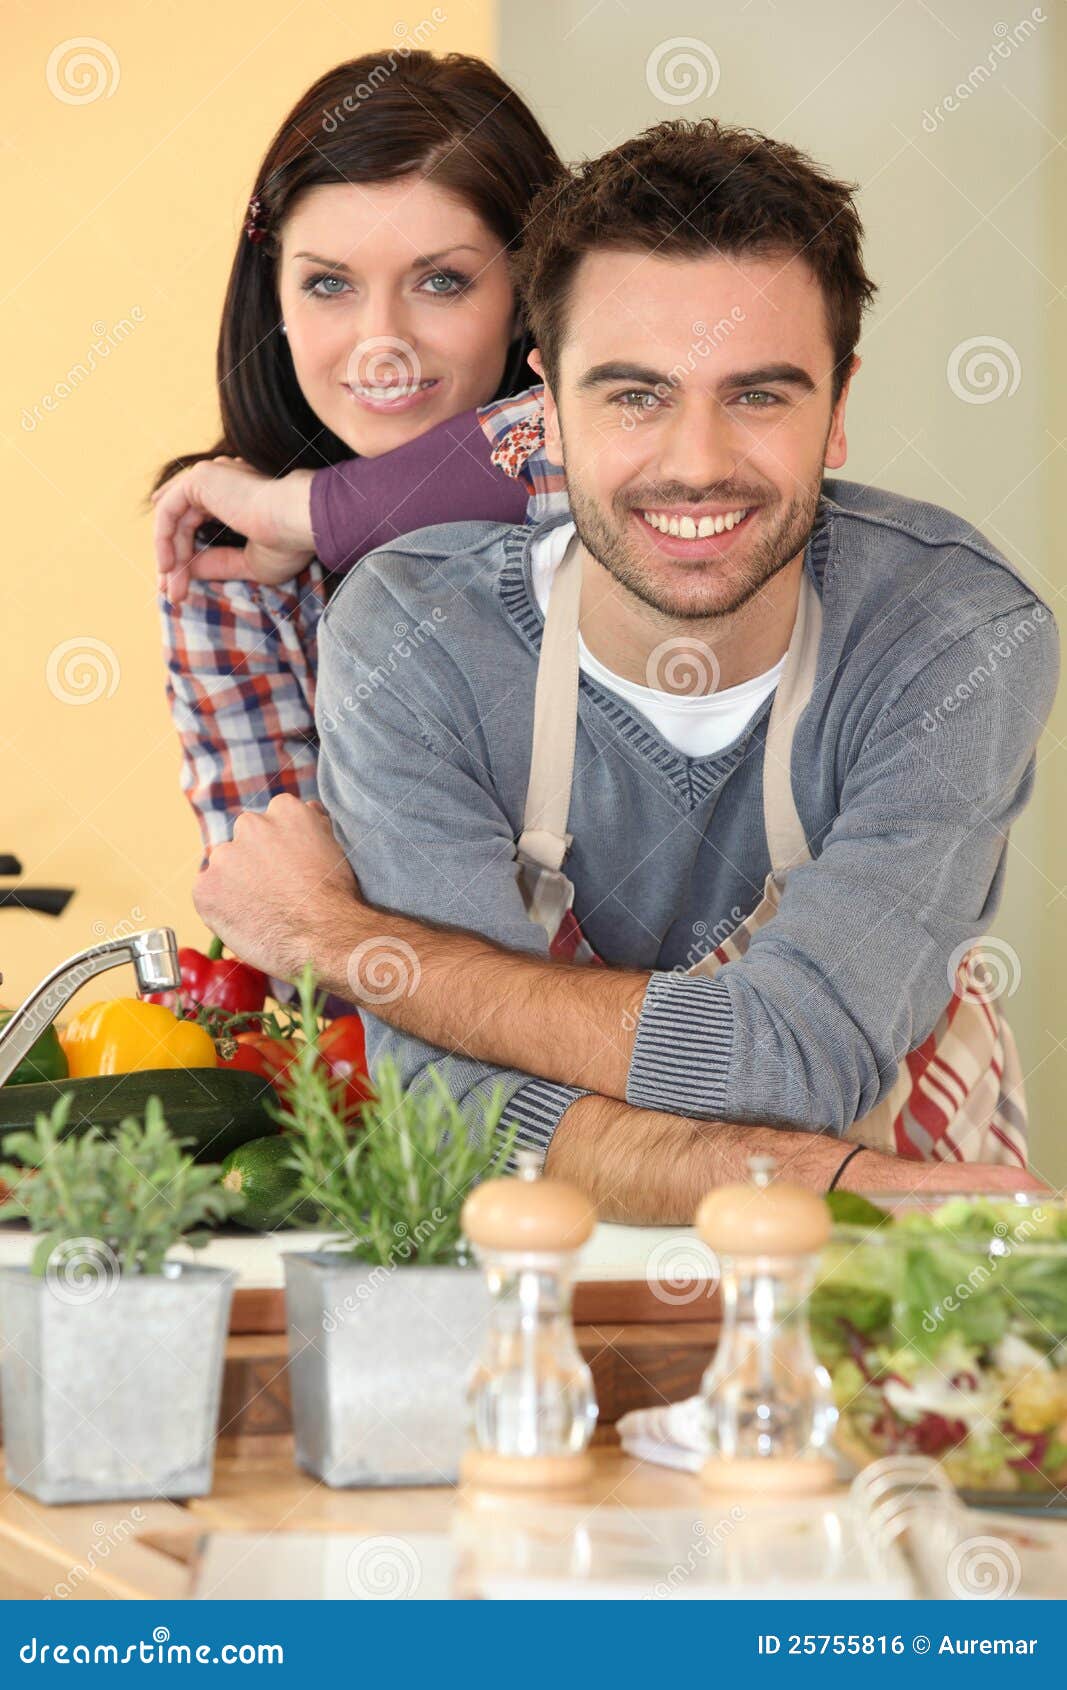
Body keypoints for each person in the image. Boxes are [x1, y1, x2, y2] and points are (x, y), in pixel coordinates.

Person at [192, 120, 1059, 1221]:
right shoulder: (412, 637)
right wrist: (832, 1184)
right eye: (634, 395)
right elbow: (449, 1112)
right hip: (620, 1257)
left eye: (757, 395)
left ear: (836, 409)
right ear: (543, 412)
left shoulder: (948, 635)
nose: (694, 463)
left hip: (893, 1281)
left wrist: (345, 938)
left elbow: (804, 1054)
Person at [151, 51, 564, 858]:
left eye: (440, 282)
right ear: (274, 294)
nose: (383, 346)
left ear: (527, 298)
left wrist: (307, 512)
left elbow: (587, 426)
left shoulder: (618, 449)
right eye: (329, 285)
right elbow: (281, 899)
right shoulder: (227, 549)